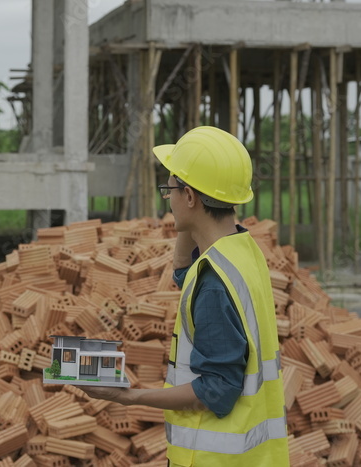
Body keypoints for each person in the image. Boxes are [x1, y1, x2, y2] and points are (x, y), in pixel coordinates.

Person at [83, 126, 288, 466]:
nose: (168, 198)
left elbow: (217, 390)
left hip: (213, 459)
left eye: (171, 189)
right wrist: (190, 223)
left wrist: (130, 397)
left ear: (190, 197)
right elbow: (184, 272)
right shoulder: (242, 251)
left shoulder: (214, 282)